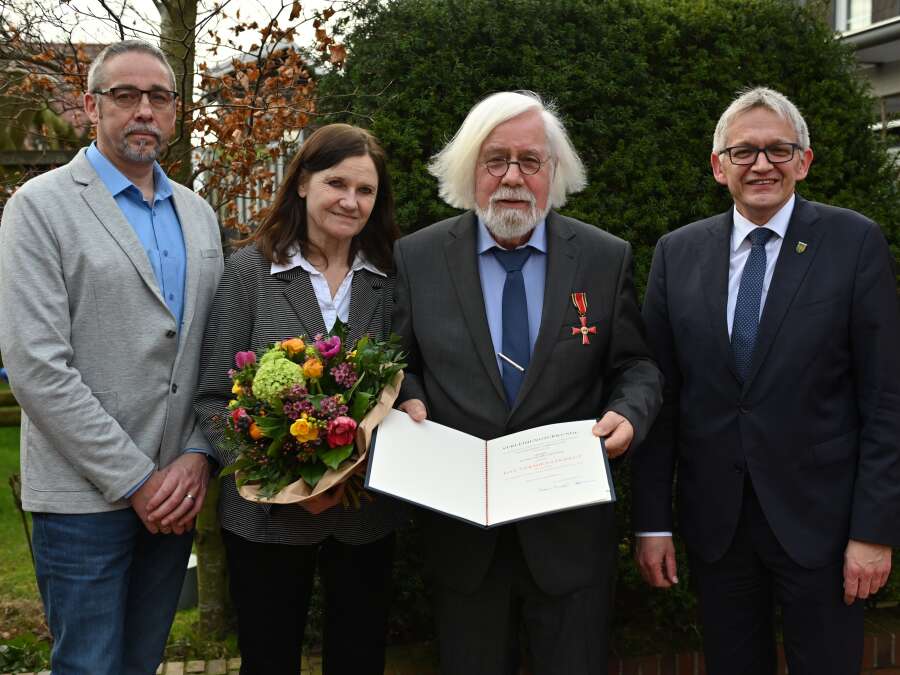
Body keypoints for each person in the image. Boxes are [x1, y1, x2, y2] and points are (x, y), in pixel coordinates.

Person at [393, 90, 663, 675]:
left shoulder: (602, 257)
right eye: (496, 160)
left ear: (553, 172)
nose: (513, 177)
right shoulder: (416, 258)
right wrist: (405, 393)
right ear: (471, 170)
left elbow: (635, 365)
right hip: (463, 540)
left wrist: (632, 412)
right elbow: (398, 360)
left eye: (530, 161)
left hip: (569, 538)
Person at [632, 87, 900, 675]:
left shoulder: (854, 243)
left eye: (779, 150)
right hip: (719, 529)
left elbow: (886, 400)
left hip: (825, 531)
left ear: (804, 161)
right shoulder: (677, 255)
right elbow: (661, 397)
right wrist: (653, 522)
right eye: (743, 151)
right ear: (717, 166)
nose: (761, 165)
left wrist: (874, 532)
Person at [0, 40, 223, 675]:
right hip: (82, 499)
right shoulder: (38, 208)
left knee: (141, 662)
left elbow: (214, 351)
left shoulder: (200, 215)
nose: (143, 110)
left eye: (158, 97)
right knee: (89, 667)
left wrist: (198, 456)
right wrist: (136, 480)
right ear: (92, 107)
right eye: (126, 95)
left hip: (176, 492)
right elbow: (37, 365)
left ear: (176, 112)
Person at [193, 123, 405, 675]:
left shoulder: (391, 278)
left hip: (364, 511)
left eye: (366, 191)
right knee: (268, 660)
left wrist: (349, 474)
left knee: (359, 657)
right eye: (338, 183)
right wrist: (280, 481)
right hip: (265, 517)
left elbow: (406, 388)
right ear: (303, 183)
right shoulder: (249, 271)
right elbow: (215, 397)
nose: (351, 201)